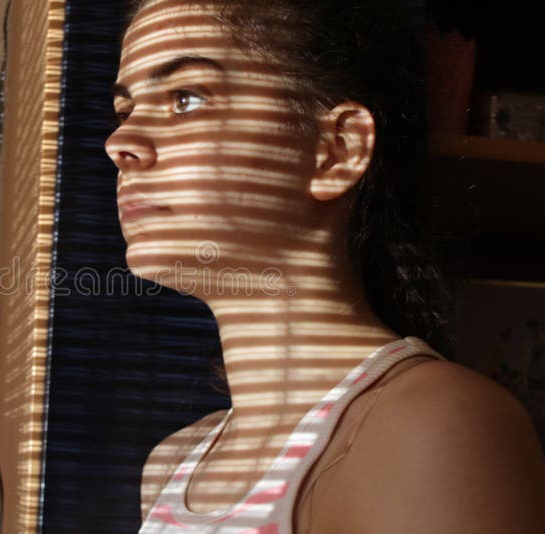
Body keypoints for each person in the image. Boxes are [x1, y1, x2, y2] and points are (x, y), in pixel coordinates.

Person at [103, 0, 545, 532]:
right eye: (126, 111)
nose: (118, 143)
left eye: (185, 99)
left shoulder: (435, 428)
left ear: (336, 150)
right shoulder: (172, 466)